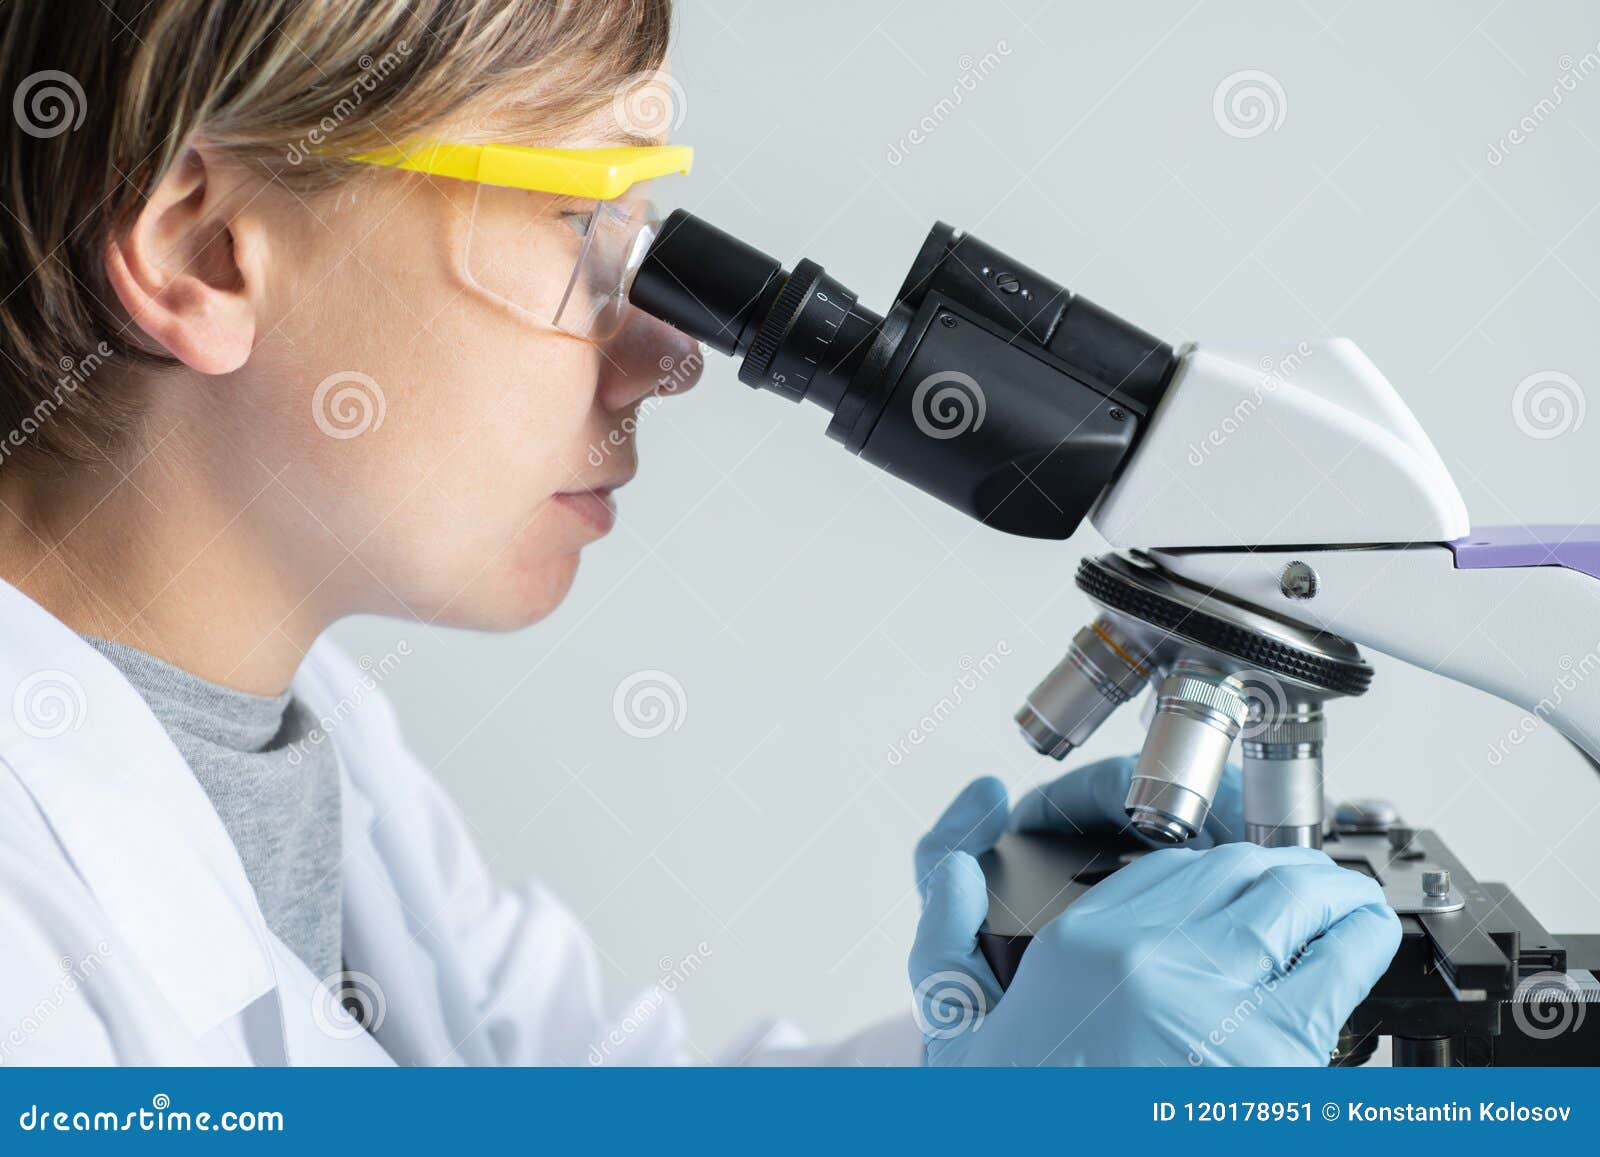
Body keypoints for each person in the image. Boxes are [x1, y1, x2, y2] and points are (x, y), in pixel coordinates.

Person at [0, 0, 1398, 1066]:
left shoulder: (309, 744)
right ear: (203, 251)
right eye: (571, 217)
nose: (669, 356)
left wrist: (985, 1068)